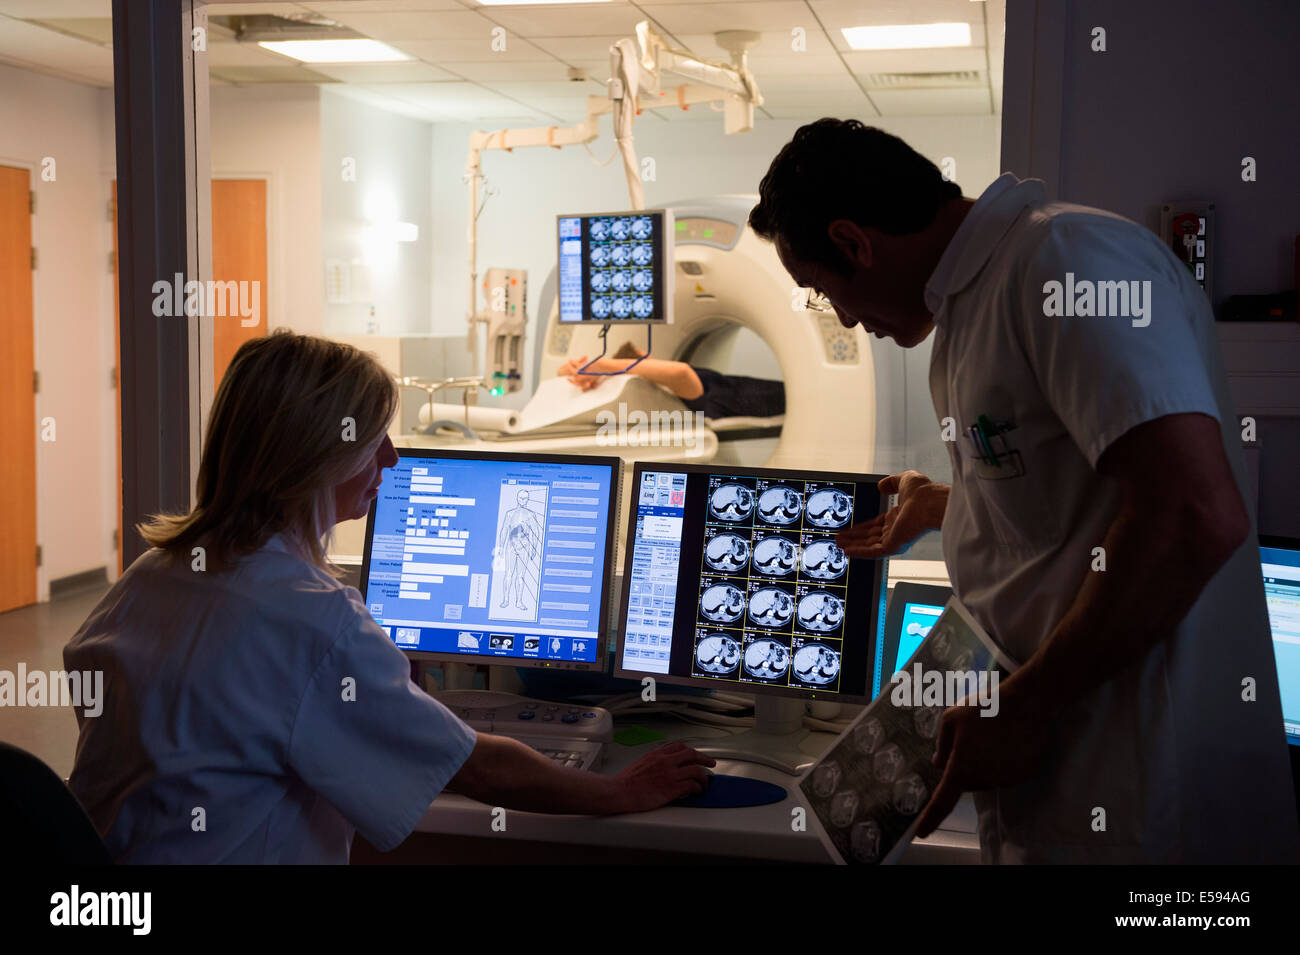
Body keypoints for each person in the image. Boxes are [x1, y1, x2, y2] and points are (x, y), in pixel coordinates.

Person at [749, 118, 1299, 863]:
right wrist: (951, 503)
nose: (844, 317)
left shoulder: (1068, 262)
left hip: (1144, 788)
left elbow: (1192, 513)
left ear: (854, 242)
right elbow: (1069, 507)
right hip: (1060, 774)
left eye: (823, 292)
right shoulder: (968, 314)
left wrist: (1025, 706)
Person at [64, 330, 713, 864]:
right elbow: (479, 768)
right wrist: (620, 790)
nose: (395, 459)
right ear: (316, 455)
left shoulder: (147, 577)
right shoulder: (313, 615)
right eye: (376, 438)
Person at [558, 343, 785, 420]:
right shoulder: (673, 392)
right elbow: (681, 372)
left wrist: (572, 369)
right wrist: (603, 366)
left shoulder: (672, 389)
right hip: (766, 399)